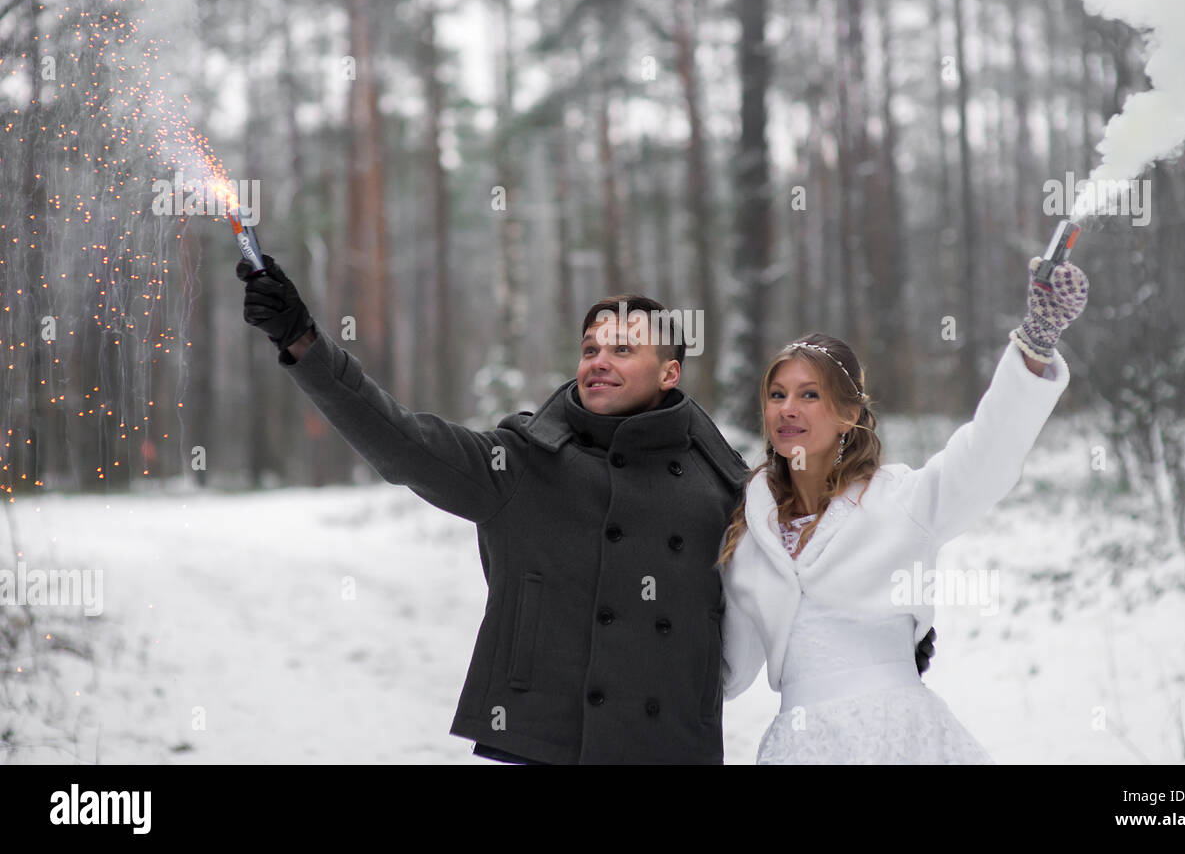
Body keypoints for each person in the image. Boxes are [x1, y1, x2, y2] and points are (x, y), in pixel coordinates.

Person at [235, 256, 938, 763]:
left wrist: (892, 629)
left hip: (670, 750)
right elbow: (401, 442)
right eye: (590, 347)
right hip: (540, 743)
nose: (598, 359)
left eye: (623, 348)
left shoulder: (728, 488)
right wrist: (304, 344)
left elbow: (795, 571)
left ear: (670, 373)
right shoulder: (521, 462)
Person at [718, 256, 1089, 763]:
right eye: (777, 394)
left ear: (850, 414)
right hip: (800, 745)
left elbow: (986, 456)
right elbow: (725, 672)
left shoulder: (902, 500)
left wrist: (1036, 341)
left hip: (901, 736)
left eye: (810, 394)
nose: (787, 408)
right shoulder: (750, 536)